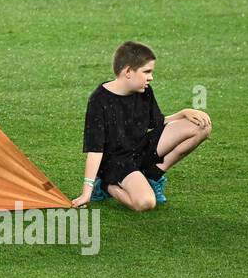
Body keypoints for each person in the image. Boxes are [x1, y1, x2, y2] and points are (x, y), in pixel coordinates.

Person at [70, 41, 213, 210]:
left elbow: (157, 124)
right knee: (145, 203)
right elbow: (95, 149)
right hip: (116, 162)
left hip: (141, 147)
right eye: (147, 71)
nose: (151, 77)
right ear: (128, 72)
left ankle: (152, 176)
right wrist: (86, 191)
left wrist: (184, 113)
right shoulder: (99, 100)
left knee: (201, 126)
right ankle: (106, 187)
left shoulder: (144, 90)